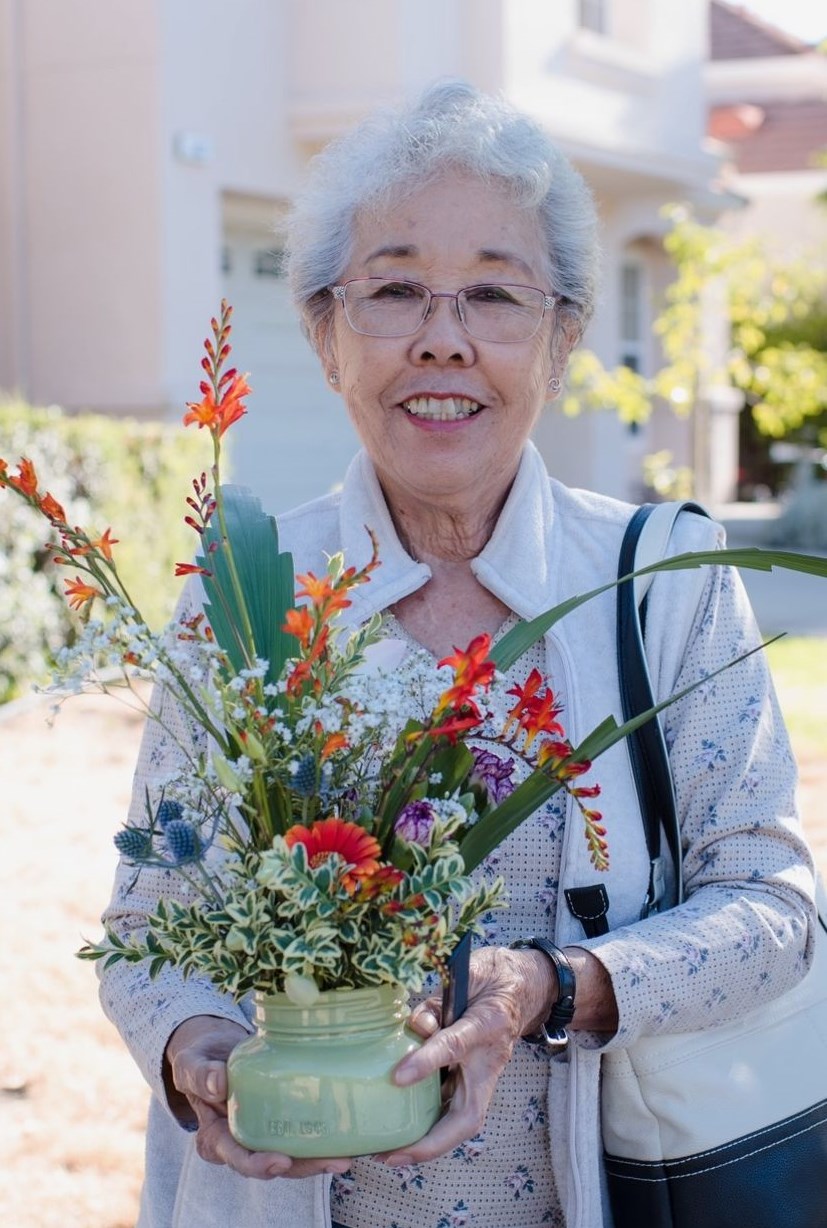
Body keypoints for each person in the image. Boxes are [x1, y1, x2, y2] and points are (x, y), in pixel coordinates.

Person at [98, 82, 816, 1228]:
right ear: (326, 336)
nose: (443, 335)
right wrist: (205, 1052)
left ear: (561, 336)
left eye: (493, 291)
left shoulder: (658, 583)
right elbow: (145, 930)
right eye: (391, 290)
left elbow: (774, 911)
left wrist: (552, 988)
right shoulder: (242, 592)